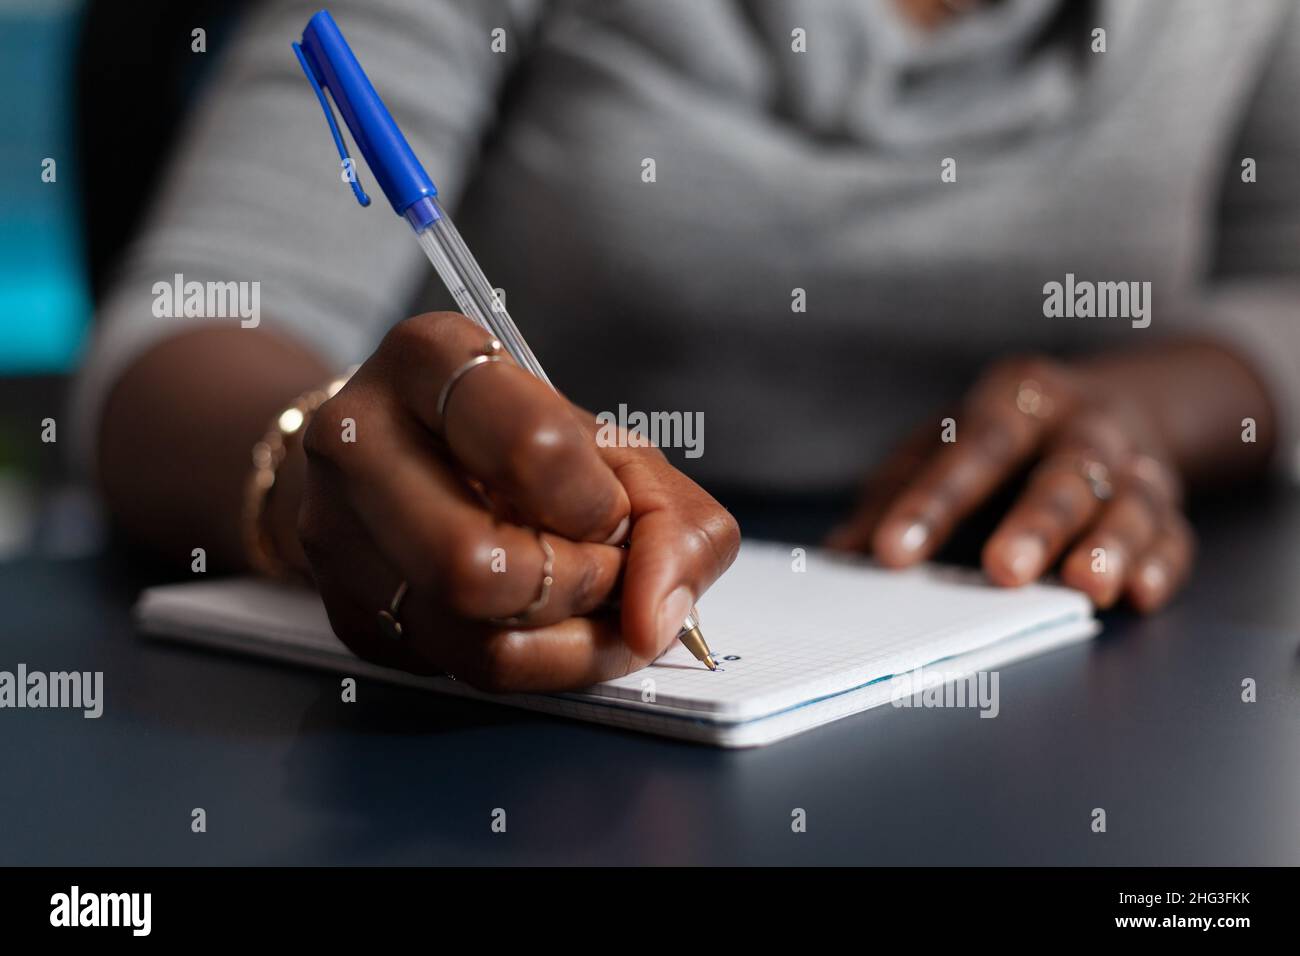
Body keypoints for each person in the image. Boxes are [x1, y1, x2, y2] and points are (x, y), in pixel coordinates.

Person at [73, 0, 1299, 691]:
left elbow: (1281, 283)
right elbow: (191, 325)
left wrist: (1150, 410)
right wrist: (313, 461)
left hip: (1084, 665)